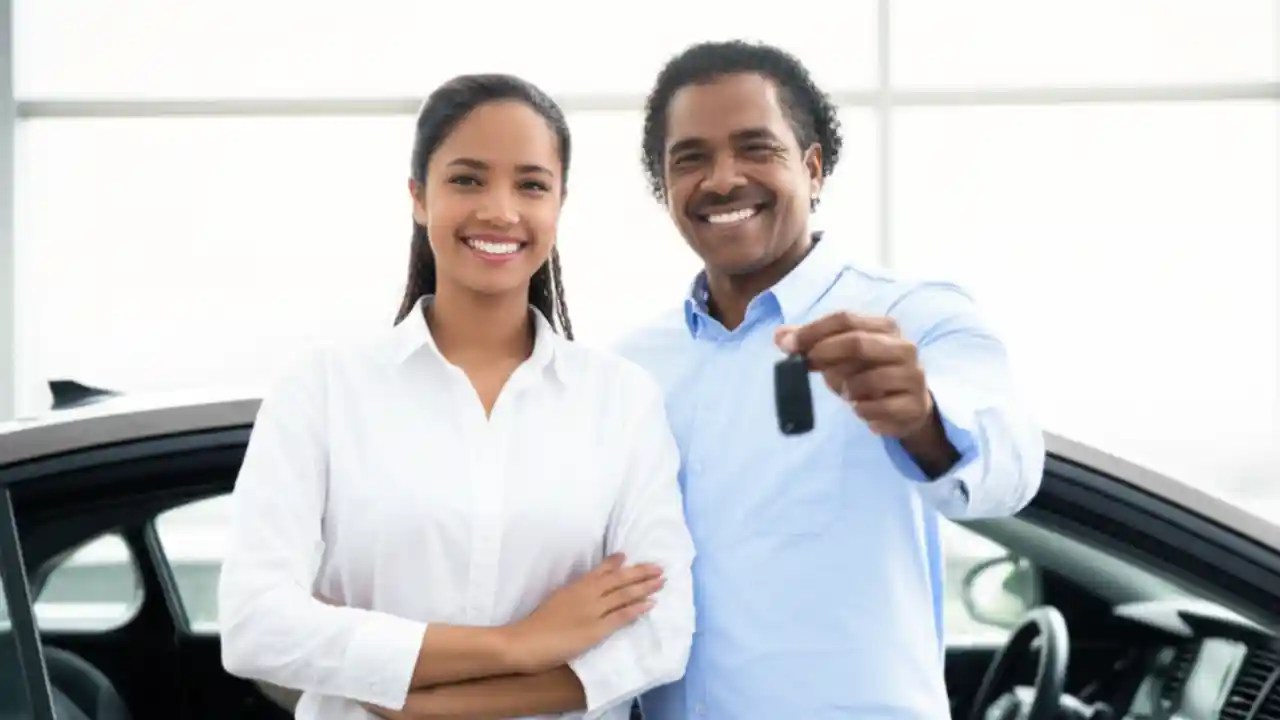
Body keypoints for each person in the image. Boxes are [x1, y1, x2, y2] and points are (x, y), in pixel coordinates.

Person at [218, 73, 695, 720]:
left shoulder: (619, 401)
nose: (500, 210)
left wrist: (429, 708)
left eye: (531, 184)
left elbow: (659, 635)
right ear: (419, 197)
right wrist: (518, 644)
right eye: (467, 179)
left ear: (559, 203)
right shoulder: (322, 391)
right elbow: (256, 626)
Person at [617, 41, 1045, 719]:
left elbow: (1011, 466)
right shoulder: (631, 369)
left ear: (812, 168)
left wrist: (923, 419)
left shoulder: (914, 317)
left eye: (756, 148)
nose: (723, 179)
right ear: (665, 187)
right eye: (690, 158)